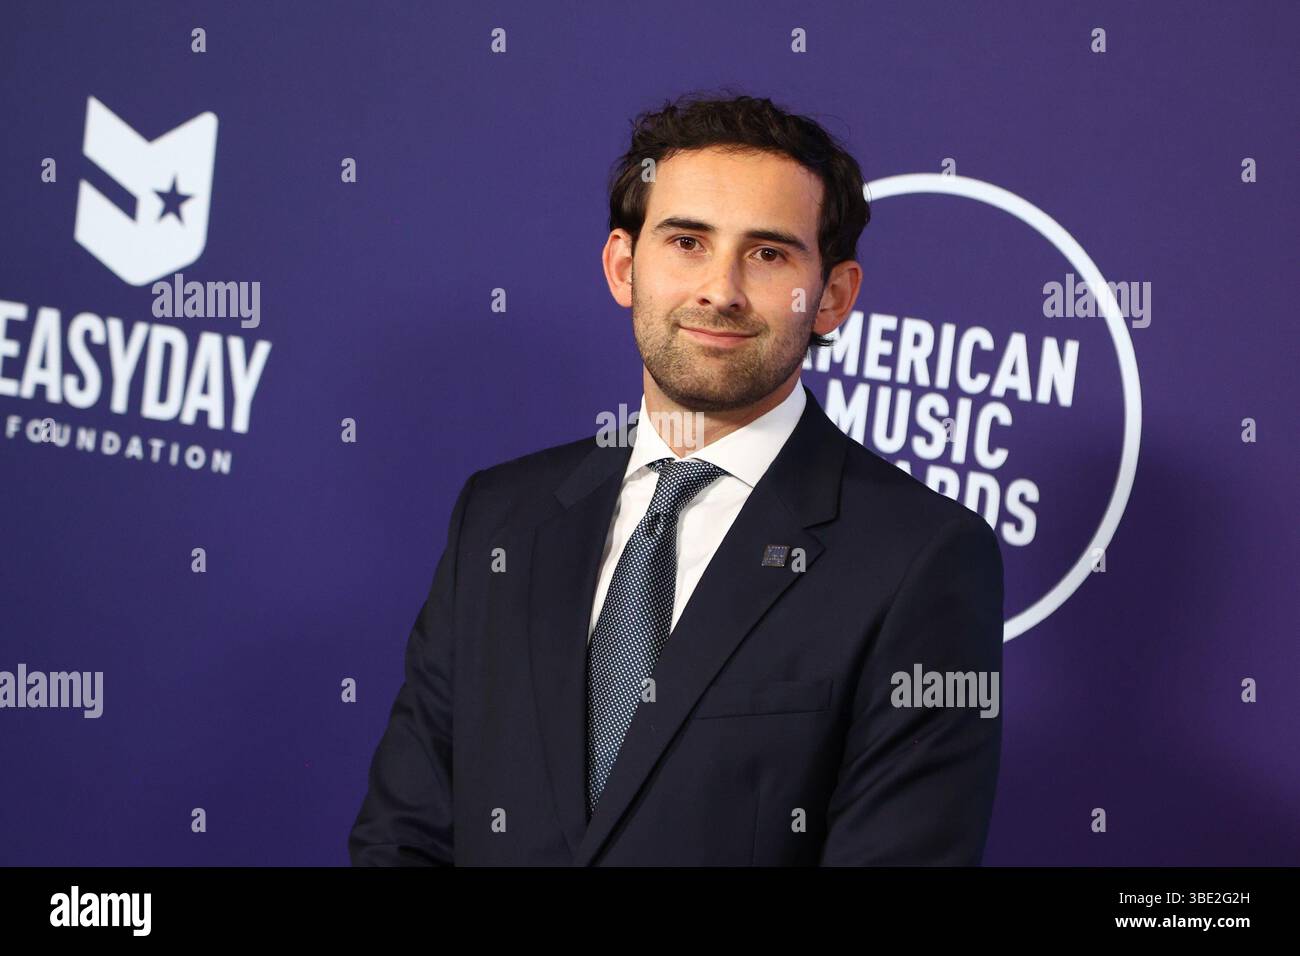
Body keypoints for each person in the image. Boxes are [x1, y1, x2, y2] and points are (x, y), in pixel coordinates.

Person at [349, 91, 1004, 866]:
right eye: (687, 241)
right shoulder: (499, 517)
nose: (719, 290)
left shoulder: (919, 558)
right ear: (624, 267)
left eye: (767, 253)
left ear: (832, 297)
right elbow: (404, 836)